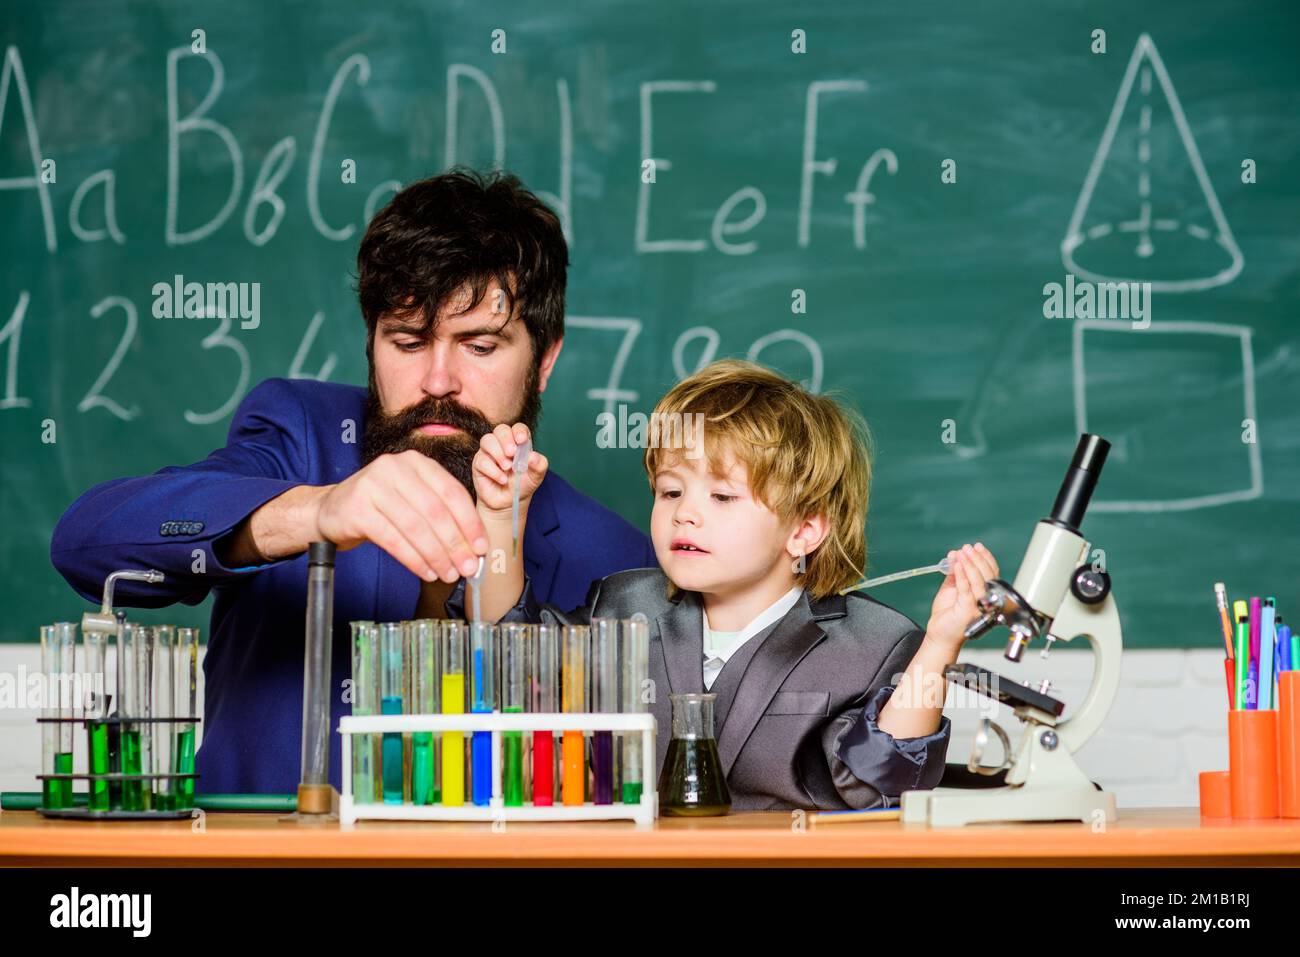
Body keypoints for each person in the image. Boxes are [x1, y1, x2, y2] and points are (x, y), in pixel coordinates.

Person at [50, 169, 656, 794]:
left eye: (479, 347)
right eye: (409, 341)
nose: (438, 381)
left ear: (545, 360)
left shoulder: (617, 560)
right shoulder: (299, 434)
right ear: (371, 343)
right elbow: (84, 544)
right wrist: (311, 512)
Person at [467, 359, 1001, 810]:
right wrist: (498, 518)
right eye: (670, 492)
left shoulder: (874, 644)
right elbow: (510, 653)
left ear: (803, 530)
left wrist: (940, 644)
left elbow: (883, 778)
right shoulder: (625, 604)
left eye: (722, 498)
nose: (686, 516)